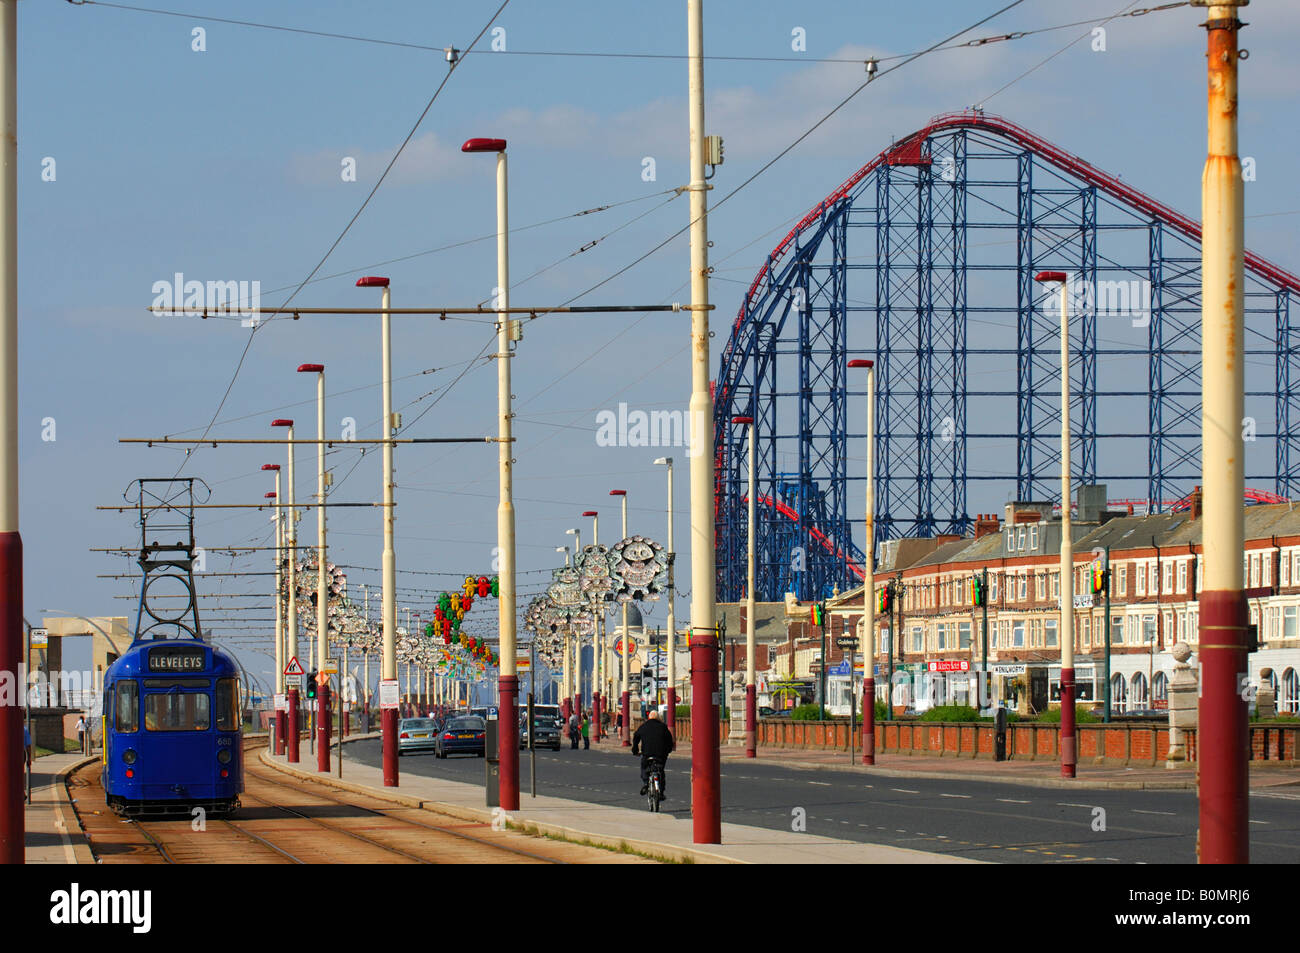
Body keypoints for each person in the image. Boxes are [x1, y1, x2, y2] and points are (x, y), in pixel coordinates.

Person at [631, 709, 675, 798]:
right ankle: (661, 792)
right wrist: (668, 750)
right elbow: (669, 740)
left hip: (647, 753)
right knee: (661, 771)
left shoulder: (644, 726)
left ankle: (646, 782)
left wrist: (635, 750)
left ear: (649, 717)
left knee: (644, 767)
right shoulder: (663, 727)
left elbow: (636, 737)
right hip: (660, 754)